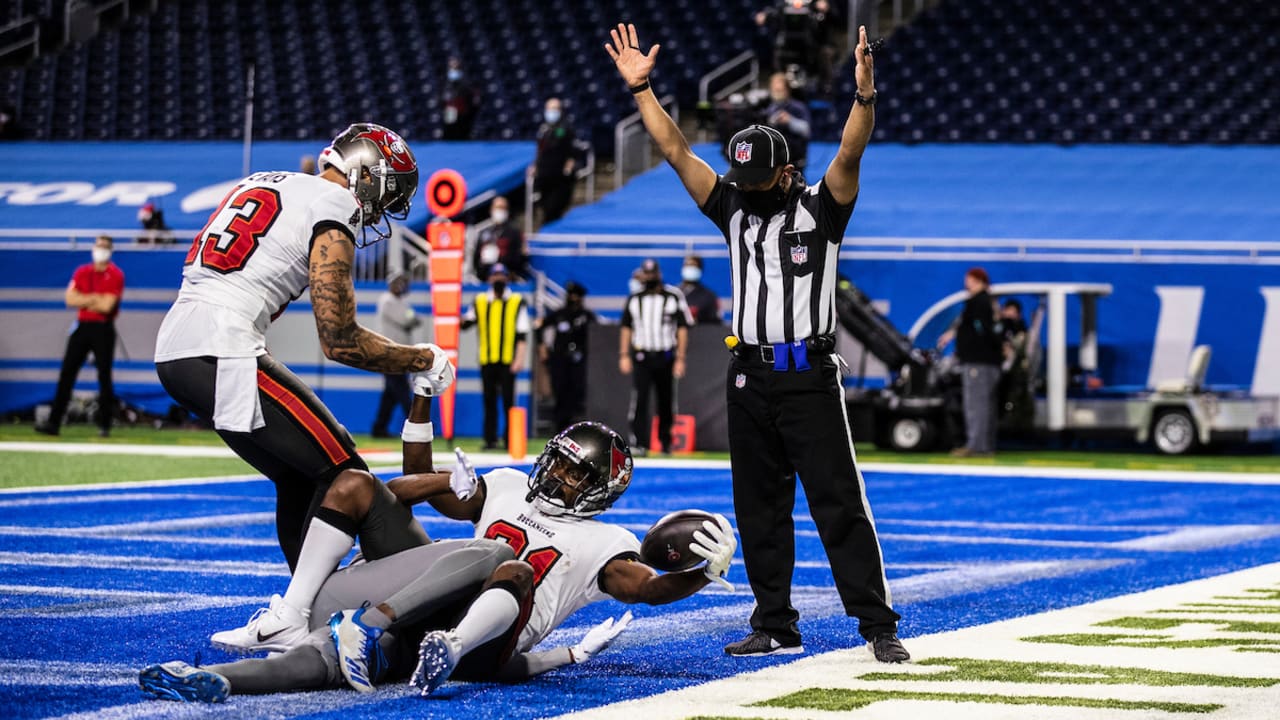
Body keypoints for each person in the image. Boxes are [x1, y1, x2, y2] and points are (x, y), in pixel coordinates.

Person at [606, 22, 909, 662]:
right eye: (741, 178)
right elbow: (678, 153)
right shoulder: (733, 207)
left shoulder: (821, 209)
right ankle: (774, 623)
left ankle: (877, 625)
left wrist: (863, 99)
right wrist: (643, 91)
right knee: (758, 509)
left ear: (785, 171)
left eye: (758, 178)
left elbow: (849, 157)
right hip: (748, 374)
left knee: (837, 502)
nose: (746, 186)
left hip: (808, 375)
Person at [138, 422, 737, 702]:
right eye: (555, 461)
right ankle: (217, 680)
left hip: (481, 644)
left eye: (573, 472)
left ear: (602, 488)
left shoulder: (604, 539)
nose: (554, 474)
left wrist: (699, 573)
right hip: (425, 617)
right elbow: (401, 492)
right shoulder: (504, 484)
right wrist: (423, 409)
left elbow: (650, 588)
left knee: (506, 559)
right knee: (322, 659)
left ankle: (371, 626)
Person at [153, 123, 456, 577]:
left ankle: (307, 614)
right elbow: (340, 341)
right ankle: (425, 595)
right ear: (366, 175)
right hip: (224, 345)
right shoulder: (335, 203)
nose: (381, 212)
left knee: (300, 475)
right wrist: (423, 358)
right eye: (387, 195)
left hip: (178, 345)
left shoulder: (261, 181)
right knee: (350, 478)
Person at [35, 235, 124, 437]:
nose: (100, 250)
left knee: (104, 376)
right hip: (82, 326)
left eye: (104, 247)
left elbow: (107, 305)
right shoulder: (82, 271)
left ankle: (104, 424)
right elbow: (69, 298)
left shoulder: (115, 274)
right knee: (67, 373)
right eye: (98, 246)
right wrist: (95, 298)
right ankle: (54, 422)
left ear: (110, 250)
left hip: (103, 327)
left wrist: (85, 299)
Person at [620, 258, 691, 457]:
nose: (649, 277)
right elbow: (626, 327)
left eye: (653, 273)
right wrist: (624, 354)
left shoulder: (672, 296)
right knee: (640, 400)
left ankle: (666, 442)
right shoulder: (635, 298)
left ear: (658, 274)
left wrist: (681, 358)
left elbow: (682, 328)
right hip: (642, 355)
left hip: (666, 355)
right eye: (647, 273)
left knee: (666, 401)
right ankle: (639, 442)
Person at [461, 263, 530, 450]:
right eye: (495, 275)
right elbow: (466, 323)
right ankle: (490, 439)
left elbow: (522, 333)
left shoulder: (517, 301)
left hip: (508, 360)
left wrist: (520, 359)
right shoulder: (480, 301)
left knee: (509, 401)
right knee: (489, 401)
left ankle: (509, 439)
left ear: (507, 278)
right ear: (489, 279)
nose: (498, 279)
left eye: (502, 275)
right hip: (487, 359)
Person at [937, 267, 1003, 458]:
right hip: (986, 361)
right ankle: (985, 445)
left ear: (976, 280)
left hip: (978, 362)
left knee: (976, 405)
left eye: (969, 280)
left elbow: (981, 330)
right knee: (985, 405)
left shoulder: (978, 302)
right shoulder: (987, 302)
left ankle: (976, 446)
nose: (966, 284)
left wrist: (968, 347)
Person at [539, 281, 597, 432]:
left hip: (579, 360)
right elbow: (540, 327)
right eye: (570, 295)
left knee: (577, 394)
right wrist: (543, 348)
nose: (572, 298)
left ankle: (576, 428)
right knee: (560, 393)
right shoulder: (560, 314)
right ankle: (559, 428)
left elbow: (595, 335)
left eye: (575, 295)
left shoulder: (587, 316)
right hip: (560, 359)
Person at [371, 271, 421, 438]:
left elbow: (411, 317)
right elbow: (408, 319)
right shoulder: (387, 300)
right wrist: (412, 316)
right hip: (390, 353)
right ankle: (416, 423)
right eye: (398, 282)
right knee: (402, 390)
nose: (402, 286)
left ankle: (379, 427)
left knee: (390, 395)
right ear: (391, 284)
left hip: (398, 352)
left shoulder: (399, 302)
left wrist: (412, 316)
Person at [532, 97, 578, 223]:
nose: (551, 112)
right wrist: (535, 165)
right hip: (544, 175)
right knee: (544, 206)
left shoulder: (566, 129)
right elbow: (540, 150)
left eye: (554, 109)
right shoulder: (543, 129)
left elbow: (572, 150)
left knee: (554, 207)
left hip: (559, 177)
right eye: (549, 109)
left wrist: (570, 163)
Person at [471, 196, 528, 282]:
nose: (500, 211)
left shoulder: (514, 233)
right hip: (487, 280)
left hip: (508, 280)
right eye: (498, 207)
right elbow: (476, 259)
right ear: (491, 210)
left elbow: (519, 259)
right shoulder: (484, 233)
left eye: (503, 208)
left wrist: (499, 257)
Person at [764, 72, 811, 172]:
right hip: (774, 159)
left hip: (795, 158)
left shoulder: (798, 107)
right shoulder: (768, 109)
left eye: (780, 90)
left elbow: (806, 130)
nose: (777, 93)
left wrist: (790, 121)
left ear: (787, 90)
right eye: (775, 90)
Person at [441, 56, 480, 141]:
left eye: (455, 63)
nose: (454, 65)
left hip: (462, 108)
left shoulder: (465, 79)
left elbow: (469, 93)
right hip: (450, 108)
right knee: (450, 127)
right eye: (452, 64)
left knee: (462, 127)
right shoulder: (445, 79)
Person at [678, 254, 722, 326]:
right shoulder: (675, 292)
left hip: (699, 334)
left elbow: (716, 322)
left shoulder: (709, 296)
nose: (689, 268)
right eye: (687, 265)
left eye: (693, 266)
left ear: (700, 269)